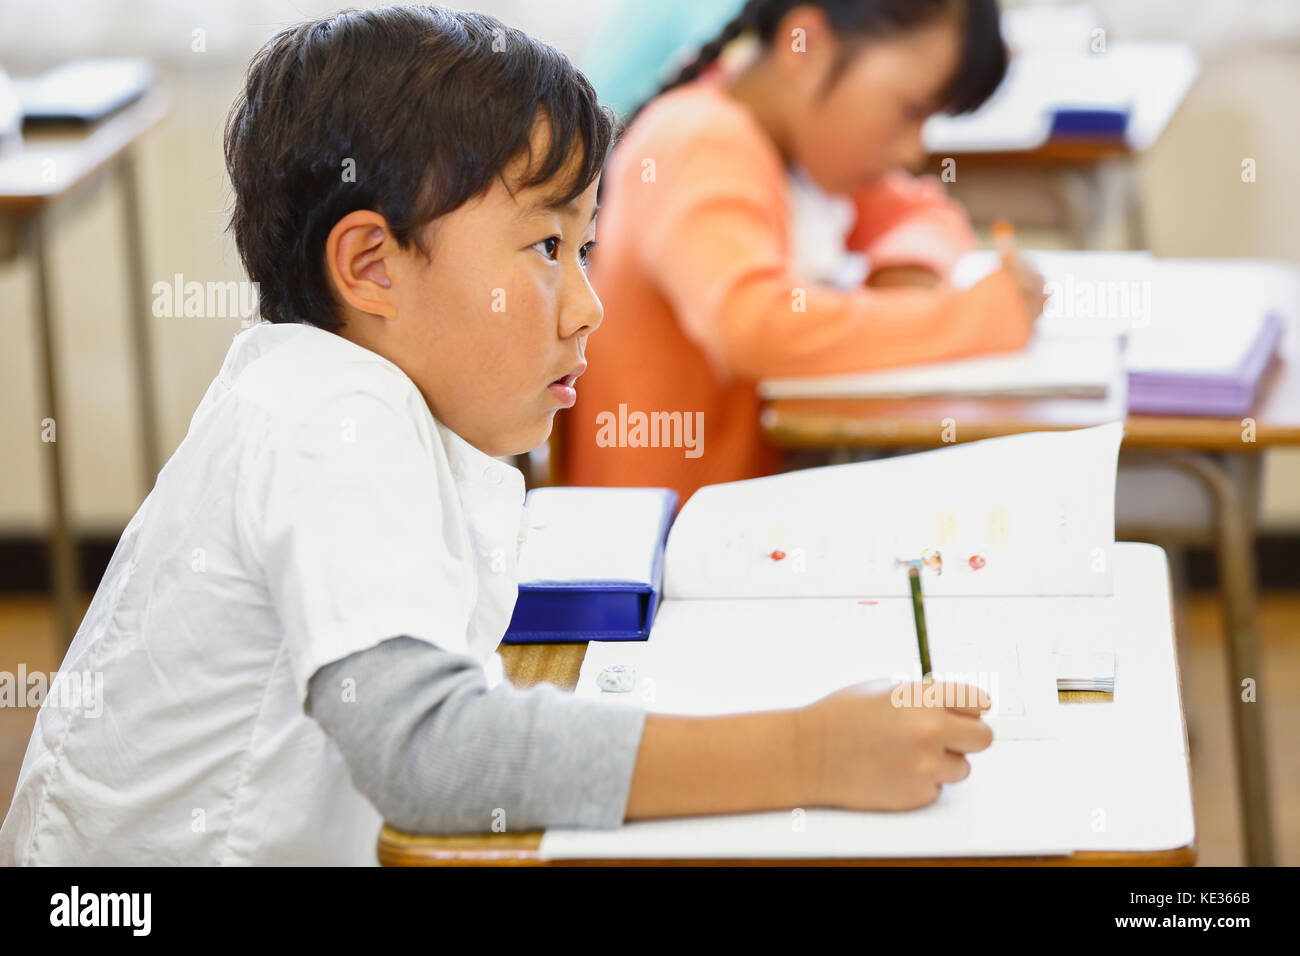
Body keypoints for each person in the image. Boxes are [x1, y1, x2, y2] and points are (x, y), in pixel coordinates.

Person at [0, 4, 992, 866]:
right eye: (546, 247)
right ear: (372, 267)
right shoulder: (329, 423)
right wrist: (809, 753)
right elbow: (430, 752)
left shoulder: (363, 394)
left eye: (585, 247)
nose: (589, 308)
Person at [563, 0, 1047, 504]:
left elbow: (923, 214)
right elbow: (752, 324)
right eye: (909, 111)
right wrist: (977, 318)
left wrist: (906, 270)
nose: (912, 151)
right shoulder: (703, 141)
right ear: (807, 45)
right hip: (666, 551)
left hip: (739, 520)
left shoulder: (795, 146)